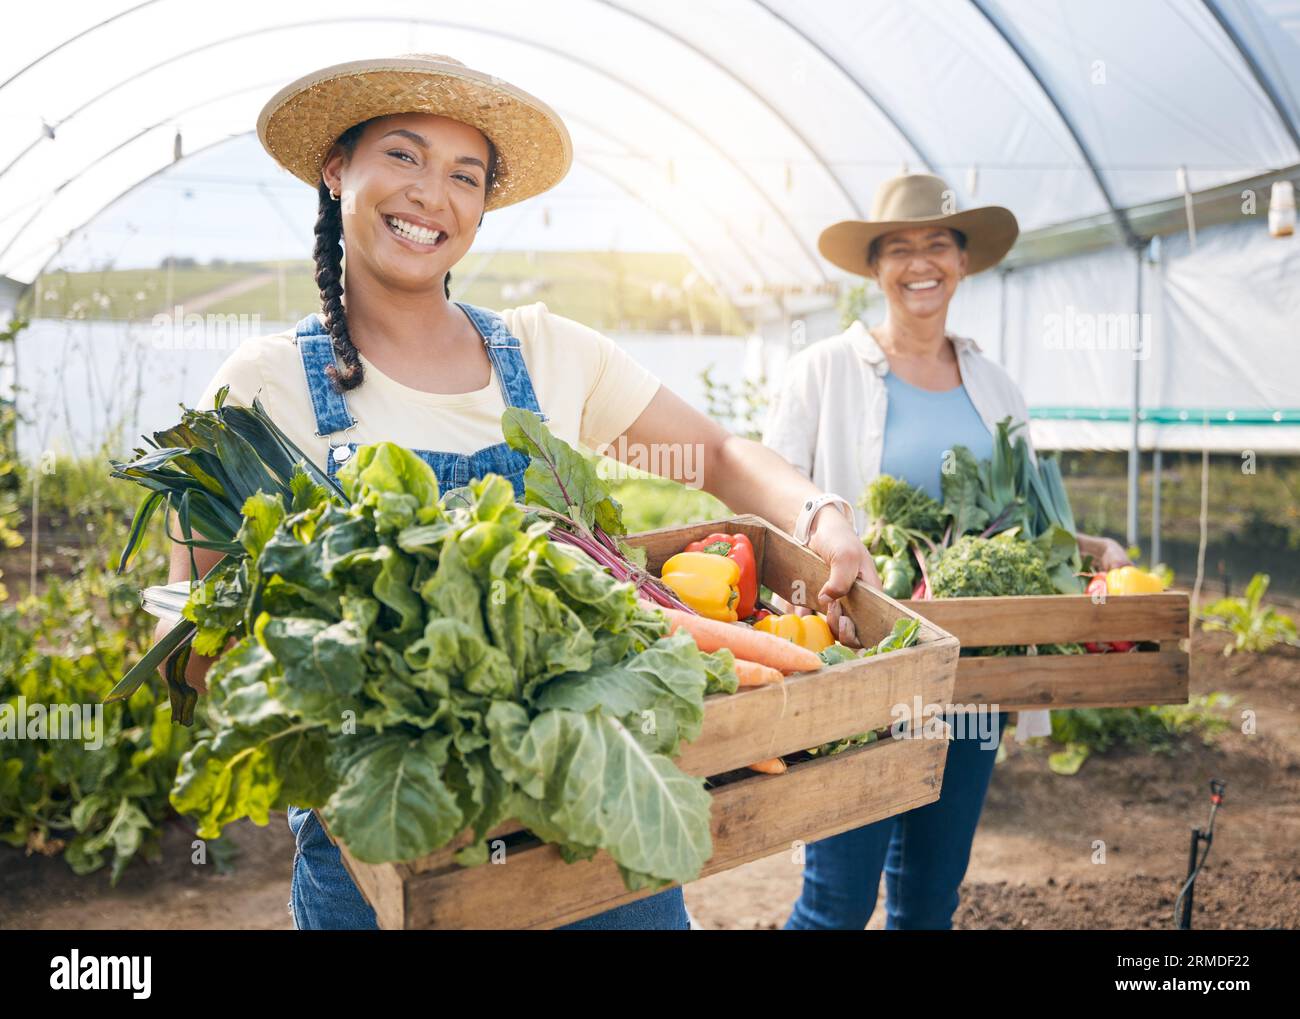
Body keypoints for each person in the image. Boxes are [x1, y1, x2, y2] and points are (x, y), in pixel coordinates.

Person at [154, 52, 876, 930]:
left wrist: (821, 513)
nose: (432, 195)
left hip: (600, 817)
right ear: (337, 170)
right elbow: (190, 625)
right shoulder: (262, 387)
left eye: (466, 175)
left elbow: (719, 453)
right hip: (391, 843)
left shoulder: (546, 353)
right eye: (403, 156)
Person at [763, 172, 1131, 930]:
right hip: (858, 663)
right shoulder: (822, 372)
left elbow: (1027, 520)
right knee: (835, 902)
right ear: (875, 268)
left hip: (974, 668)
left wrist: (1097, 548)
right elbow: (768, 506)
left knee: (930, 901)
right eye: (899, 248)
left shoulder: (996, 387)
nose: (919, 262)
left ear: (963, 262)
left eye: (938, 244)